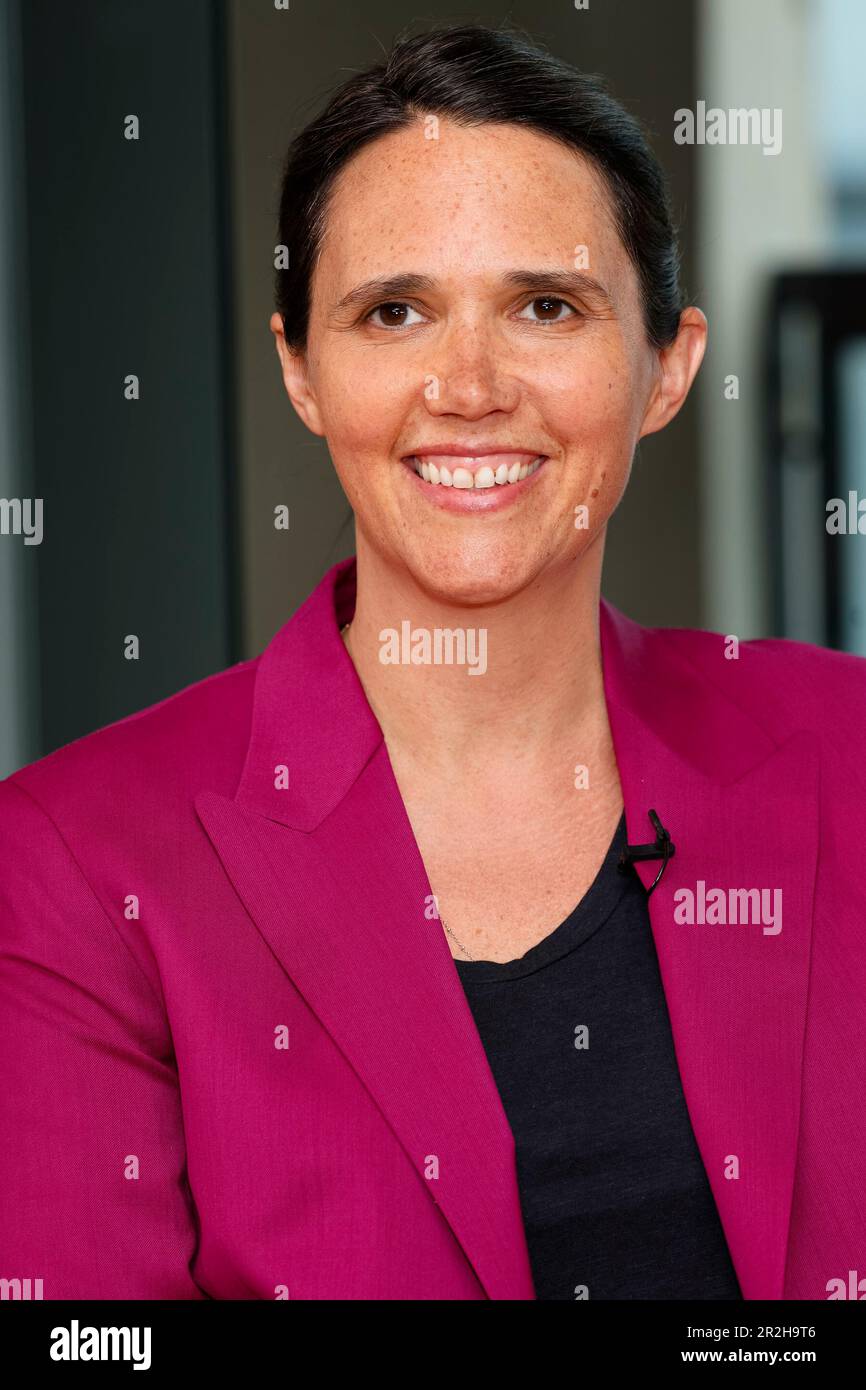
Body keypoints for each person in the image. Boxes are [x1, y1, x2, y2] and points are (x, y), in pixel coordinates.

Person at [1, 23, 864, 1302]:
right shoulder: (76, 855)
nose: (467, 385)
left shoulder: (844, 742)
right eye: (393, 311)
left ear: (665, 369)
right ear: (301, 367)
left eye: (545, 305)